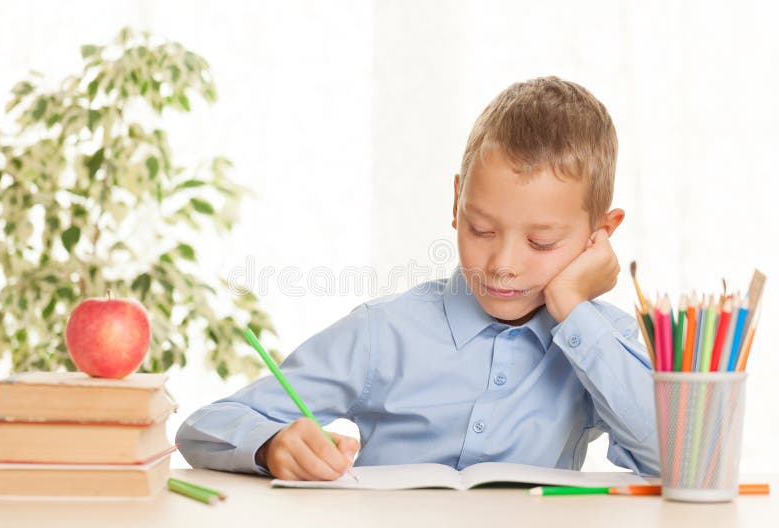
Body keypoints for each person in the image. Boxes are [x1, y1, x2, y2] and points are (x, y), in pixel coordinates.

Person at [176, 76, 659, 481]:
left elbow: (678, 460)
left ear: (601, 234)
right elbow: (204, 428)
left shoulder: (601, 341)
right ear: (456, 202)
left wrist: (573, 307)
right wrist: (271, 446)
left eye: (542, 243)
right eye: (481, 229)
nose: (502, 264)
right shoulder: (383, 334)